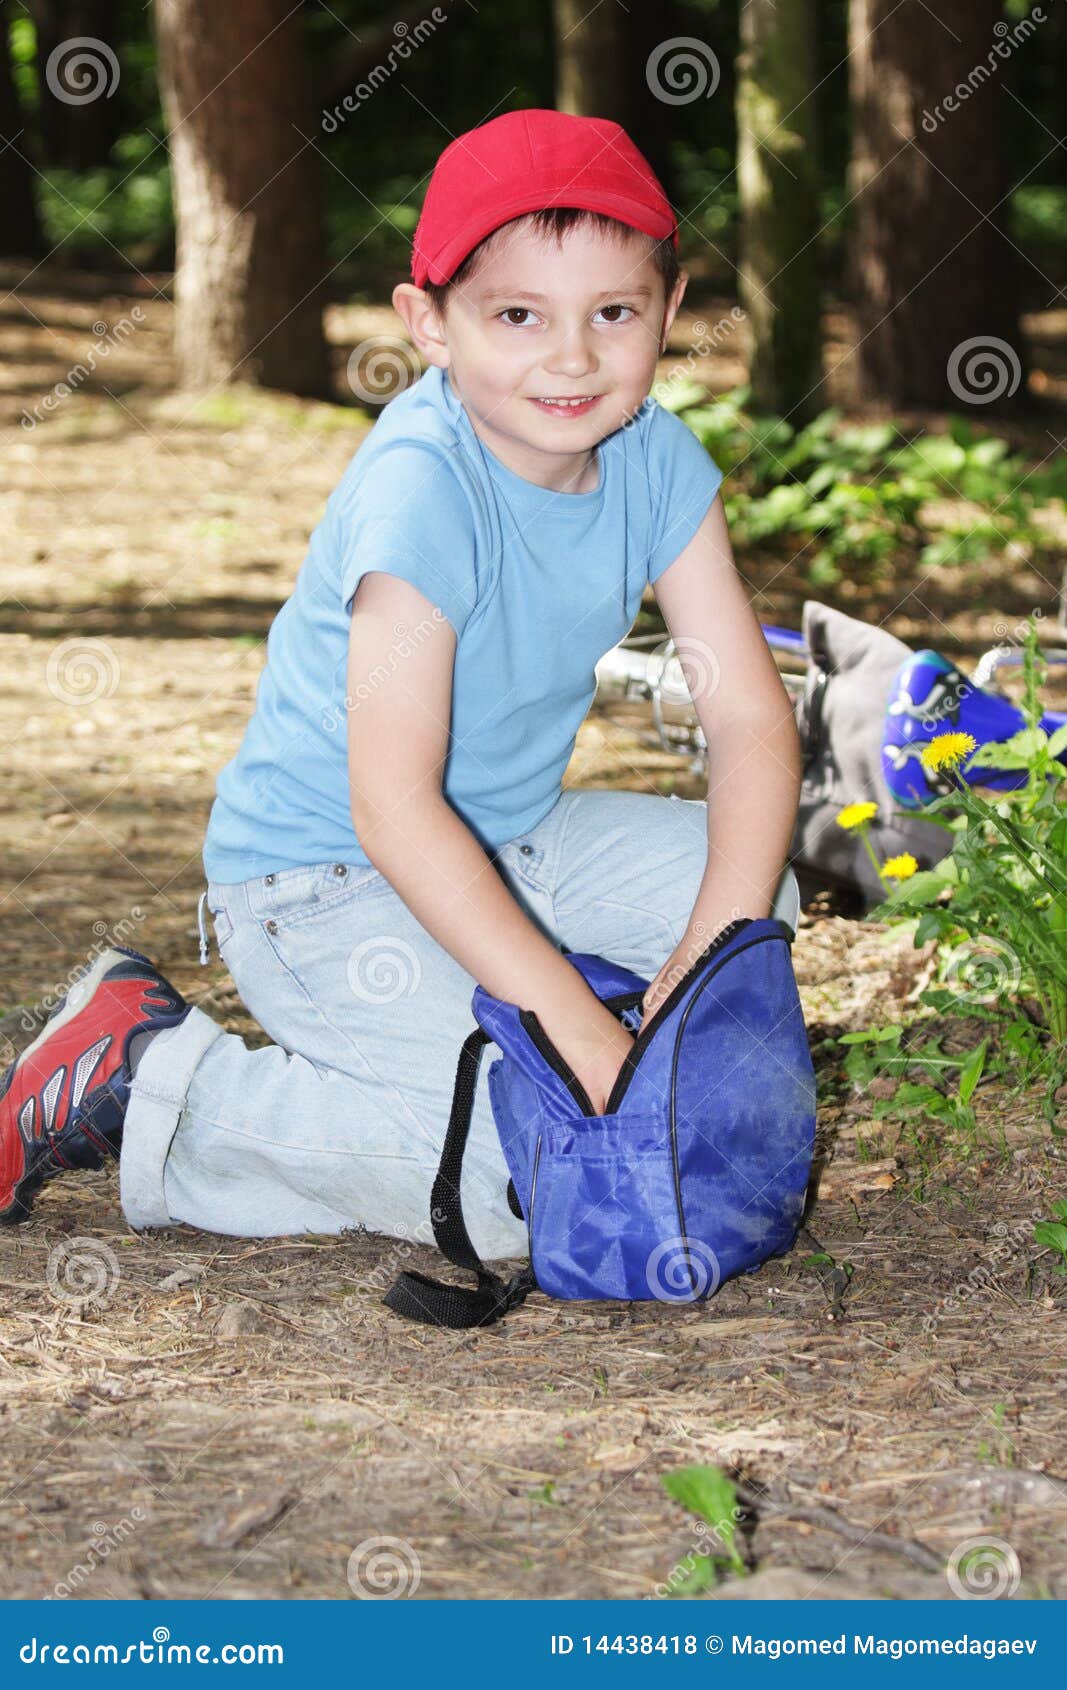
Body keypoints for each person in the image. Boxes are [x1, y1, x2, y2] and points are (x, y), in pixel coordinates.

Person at [0, 109, 803, 1261]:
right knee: (510, 1188)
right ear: (427, 323)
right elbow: (391, 805)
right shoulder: (422, 491)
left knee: (749, 904)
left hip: (513, 841)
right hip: (321, 880)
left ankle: (510, 1039)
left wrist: (703, 945)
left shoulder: (655, 460)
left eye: (611, 313)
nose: (570, 357)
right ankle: (149, 1074)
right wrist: (576, 1026)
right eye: (517, 315)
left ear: (668, 314)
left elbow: (742, 714)